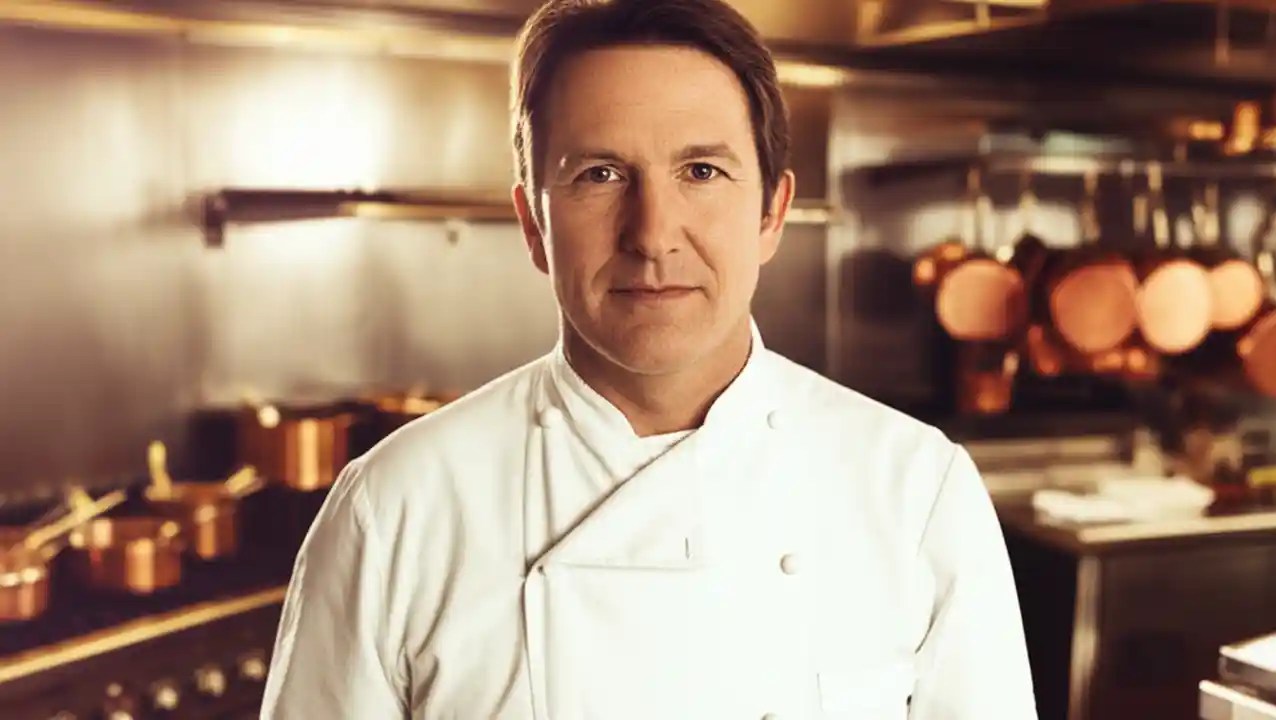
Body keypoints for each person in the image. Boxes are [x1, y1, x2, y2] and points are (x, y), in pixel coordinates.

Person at [259, 0, 1038, 717]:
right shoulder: (393, 508)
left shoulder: (915, 490)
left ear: (772, 213)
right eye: (600, 175)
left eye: (702, 172)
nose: (652, 233)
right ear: (533, 223)